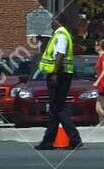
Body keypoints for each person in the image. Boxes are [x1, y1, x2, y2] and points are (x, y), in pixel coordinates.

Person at [35, 12, 84, 151]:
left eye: (53, 20)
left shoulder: (61, 35)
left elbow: (60, 55)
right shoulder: (59, 34)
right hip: (61, 74)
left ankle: (75, 139)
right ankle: (48, 141)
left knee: (58, 108)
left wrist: (55, 73)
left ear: (58, 21)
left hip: (59, 75)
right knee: (55, 109)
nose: (51, 23)